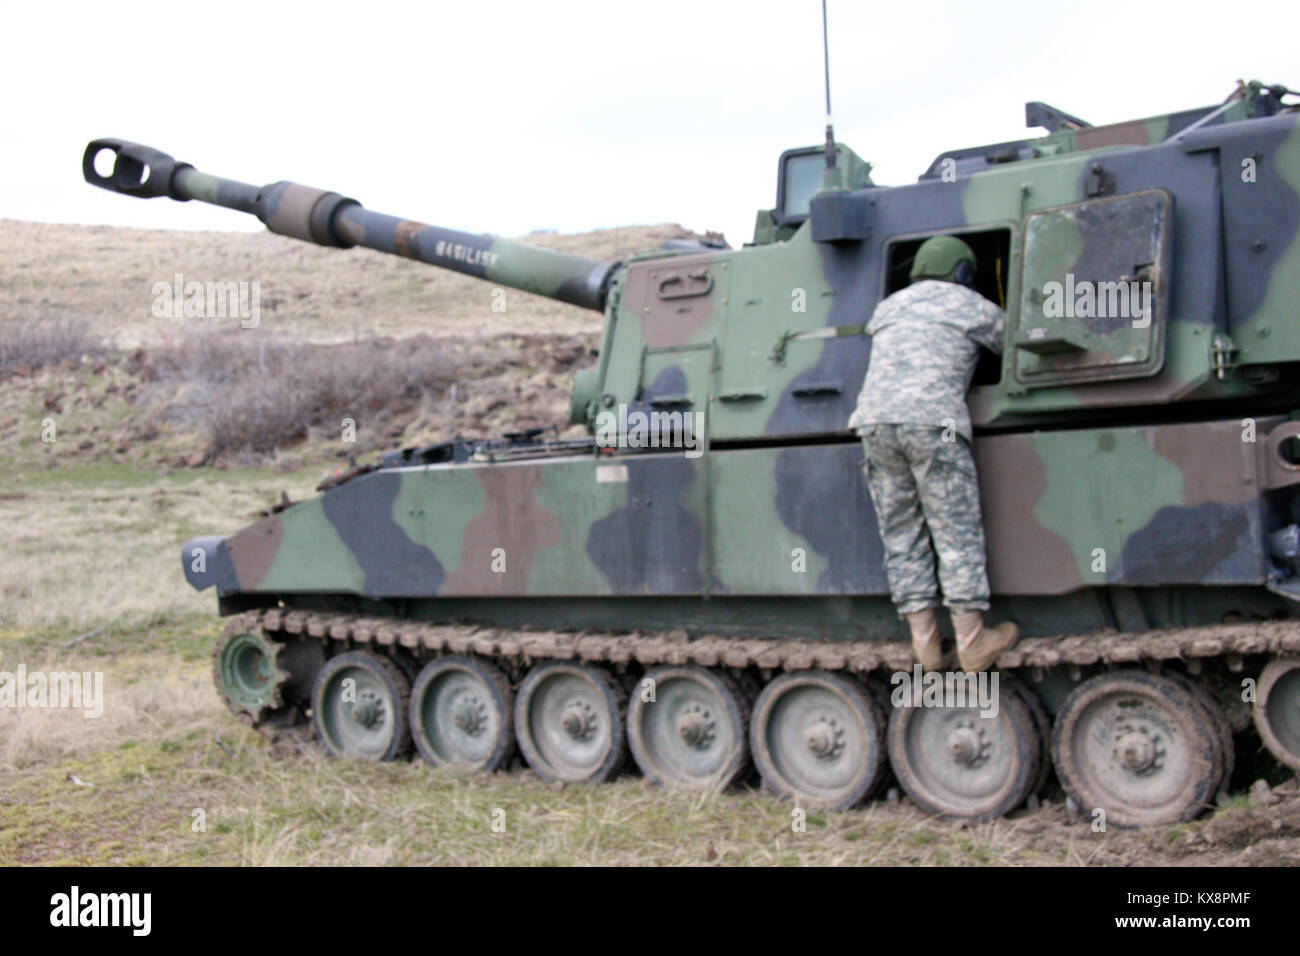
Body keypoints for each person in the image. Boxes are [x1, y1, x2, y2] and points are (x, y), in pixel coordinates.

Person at [849, 235, 1018, 673]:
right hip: (933, 424)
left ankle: (925, 647)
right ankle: (973, 643)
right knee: (954, 528)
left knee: (901, 532)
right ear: (963, 273)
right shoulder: (972, 306)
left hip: (875, 423)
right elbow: (1014, 347)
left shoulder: (887, 307)